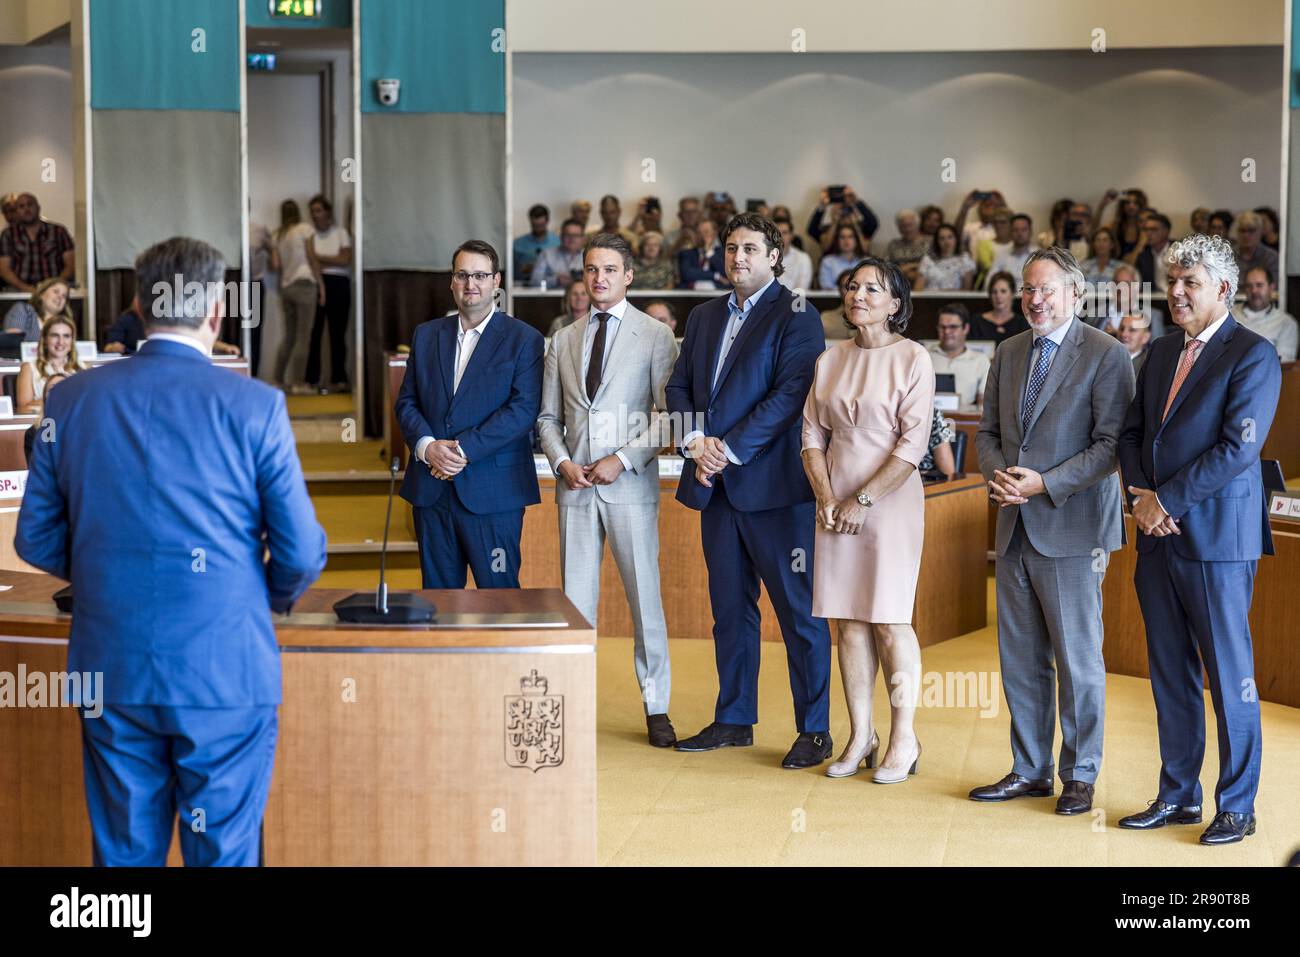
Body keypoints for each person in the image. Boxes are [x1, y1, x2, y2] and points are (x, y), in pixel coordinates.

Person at [15, 236, 326, 866]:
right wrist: (247, 597)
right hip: (224, 669)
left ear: (137, 304)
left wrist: (110, 572)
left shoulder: (70, 400)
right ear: (216, 310)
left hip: (112, 667)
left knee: (126, 864)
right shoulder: (257, 407)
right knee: (223, 854)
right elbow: (299, 552)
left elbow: (35, 538)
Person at [1117, 234, 1281, 845]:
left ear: (1223, 289)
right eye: (1172, 281)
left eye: (1190, 282)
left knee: (1230, 673)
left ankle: (1238, 805)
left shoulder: (1254, 354)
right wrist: (1141, 498)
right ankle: (1179, 795)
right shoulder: (1159, 352)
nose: (1176, 292)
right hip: (1156, 535)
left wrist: (1167, 500)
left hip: (1216, 540)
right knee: (1170, 672)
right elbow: (1130, 434)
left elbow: (1238, 448)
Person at [970, 247, 1135, 816]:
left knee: (1077, 659)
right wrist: (1004, 479)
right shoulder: (1009, 350)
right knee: (1020, 657)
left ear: (1075, 294)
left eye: (1047, 290)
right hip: (1014, 523)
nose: (1035, 300)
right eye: (1028, 289)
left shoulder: (1106, 354)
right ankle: (1030, 769)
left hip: (1073, 527)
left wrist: (1043, 484)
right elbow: (987, 432)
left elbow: (1112, 447)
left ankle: (1080, 774)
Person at [667, 213, 832, 769]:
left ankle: (814, 731)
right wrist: (694, 441)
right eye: (732, 248)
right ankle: (734, 719)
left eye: (751, 249)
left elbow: (790, 395)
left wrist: (728, 448)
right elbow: (680, 385)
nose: (738, 257)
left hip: (774, 489)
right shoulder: (704, 314)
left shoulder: (798, 314)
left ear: (774, 256)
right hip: (713, 488)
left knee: (798, 613)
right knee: (730, 612)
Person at [537, 233, 679, 748]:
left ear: (629, 276)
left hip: (630, 486)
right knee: (576, 604)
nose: (599, 278)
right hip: (574, 488)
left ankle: (656, 705)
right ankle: (572, 706)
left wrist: (623, 459)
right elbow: (548, 417)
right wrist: (561, 461)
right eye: (591, 269)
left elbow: (669, 419)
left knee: (645, 601)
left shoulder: (656, 336)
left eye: (610, 269)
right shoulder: (562, 339)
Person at [801, 257, 933, 783]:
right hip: (833, 502)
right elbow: (812, 434)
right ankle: (861, 733)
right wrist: (827, 495)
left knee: (889, 620)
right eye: (853, 286)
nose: (859, 294)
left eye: (872, 289)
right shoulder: (829, 358)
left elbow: (913, 444)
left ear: (895, 304)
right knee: (847, 620)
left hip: (890, 502)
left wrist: (864, 500)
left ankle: (904, 736)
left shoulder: (913, 357)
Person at [397, 239, 544, 591]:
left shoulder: (524, 339)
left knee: (500, 599)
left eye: (480, 275)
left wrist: (461, 451)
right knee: (439, 600)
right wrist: (428, 446)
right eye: (462, 275)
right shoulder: (426, 335)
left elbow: (522, 411)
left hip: (494, 495)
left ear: (496, 282)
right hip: (432, 492)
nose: (470, 284)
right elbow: (407, 402)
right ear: (451, 281)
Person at [270, 199, 320, 394]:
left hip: (286, 286)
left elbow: (275, 266)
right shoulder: (305, 229)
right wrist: (321, 284)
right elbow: (312, 258)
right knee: (303, 337)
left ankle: (277, 379)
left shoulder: (277, 235)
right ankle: (299, 383)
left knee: (289, 337)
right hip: (305, 284)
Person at [304, 195, 352, 393]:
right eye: (312, 212)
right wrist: (326, 261)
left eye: (318, 210)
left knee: (337, 333)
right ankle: (312, 379)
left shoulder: (340, 233)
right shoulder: (311, 236)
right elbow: (313, 262)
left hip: (340, 283)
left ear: (327, 212)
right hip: (320, 283)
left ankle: (339, 378)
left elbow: (345, 259)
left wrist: (321, 257)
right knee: (315, 333)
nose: (315, 215)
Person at [0, 192, 75, 292]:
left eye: (30, 204)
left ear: (38, 208)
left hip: (54, 291)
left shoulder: (58, 231)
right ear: (17, 211)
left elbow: (71, 264)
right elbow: (4, 268)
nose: (26, 209)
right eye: (21, 206)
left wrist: (53, 286)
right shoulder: (8, 235)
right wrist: (24, 288)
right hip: (18, 291)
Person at [16, 315, 85, 413]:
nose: (61, 342)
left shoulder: (83, 368)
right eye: (55, 335)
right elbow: (23, 409)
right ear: (44, 339)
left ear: (72, 341)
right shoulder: (29, 368)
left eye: (66, 336)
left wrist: (45, 400)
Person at [928, 302, 990, 407]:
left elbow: (983, 402)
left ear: (966, 328)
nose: (947, 331)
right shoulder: (925, 356)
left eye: (953, 327)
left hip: (965, 419)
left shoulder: (980, 360)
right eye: (942, 327)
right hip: (927, 417)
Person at [1233, 265, 1297, 363]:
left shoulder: (1286, 323)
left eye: (1259, 285)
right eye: (1249, 286)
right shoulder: (1229, 314)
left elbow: (1283, 365)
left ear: (1271, 288)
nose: (1254, 291)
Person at [3, 276, 71, 341]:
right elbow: (14, 341)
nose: (60, 297)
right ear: (41, 294)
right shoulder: (24, 310)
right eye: (56, 292)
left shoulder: (66, 324)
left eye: (64, 296)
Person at [808, 186, 878, 248]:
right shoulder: (827, 230)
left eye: (846, 208)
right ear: (832, 211)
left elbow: (873, 223)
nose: (842, 210)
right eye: (838, 208)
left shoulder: (860, 228)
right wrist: (822, 205)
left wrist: (856, 201)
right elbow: (812, 230)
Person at [968, 271, 1028, 343]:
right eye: (994, 292)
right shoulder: (976, 322)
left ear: (1012, 293)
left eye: (1003, 291)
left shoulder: (1023, 324)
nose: (998, 296)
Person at [248, 213, 273, 376]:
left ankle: (253, 374)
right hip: (233, 284)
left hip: (253, 284)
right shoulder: (222, 227)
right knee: (233, 330)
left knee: (254, 331)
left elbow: (273, 250)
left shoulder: (259, 229)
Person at [915, 223, 974, 291]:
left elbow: (967, 291)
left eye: (950, 237)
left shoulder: (965, 259)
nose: (947, 242)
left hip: (955, 300)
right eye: (942, 238)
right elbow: (918, 290)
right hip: (929, 299)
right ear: (937, 242)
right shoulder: (927, 260)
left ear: (956, 239)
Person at [531, 218, 586, 289]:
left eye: (576, 235)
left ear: (583, 238)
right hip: (551, 298)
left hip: (583, 298)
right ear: (561, 237)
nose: (572, 239)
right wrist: (555, 280)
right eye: (567, 235)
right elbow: (534, 281)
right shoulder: (546, 254)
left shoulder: (589, 255)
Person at [984, 213, 1035, 288]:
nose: (1019, 233)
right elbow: (989, 283)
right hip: (1006, 299)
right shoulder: (1001, 256)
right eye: (1015, 230)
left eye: (1024, 229)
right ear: (1010, 232)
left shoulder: (1039, 256)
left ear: (1030, 232)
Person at [512, 203, 558, 284]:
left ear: (547, 221)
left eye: (541, 225)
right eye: (534, 225)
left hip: (552, 285)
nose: (538, 229)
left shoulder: (558, 242)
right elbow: (513, 272)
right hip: (524, 284)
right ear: (530, 221)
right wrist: (524, 269)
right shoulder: (518, 244)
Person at [1097, 188, 1149, 257]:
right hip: (1115, 265)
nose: (1131, 206)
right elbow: (1096, 233)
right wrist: (1102, 207)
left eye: (1135, 203)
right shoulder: (1116, 225)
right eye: (1127, 202)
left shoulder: (1146, 227)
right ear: (1123, 205)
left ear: (1141, 205)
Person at [677, 218, 727, 289]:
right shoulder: (686, 253)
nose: (702, 236)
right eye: (699, 232)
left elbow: (726, 273)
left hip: (717, 294)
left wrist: (710, 253)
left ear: (714, 234)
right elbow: (687, 274)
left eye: (706, 232)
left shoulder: (724, 252)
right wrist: (716, 276)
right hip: (690, 295)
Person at [885, 208, 930, 286]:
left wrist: (908, 267)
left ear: (917, 225)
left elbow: (935, 265)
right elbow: (885, 267)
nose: (907, 229)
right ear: (899, 228)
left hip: (924, 283)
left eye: (910, 225)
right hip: (898, 284)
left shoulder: (929, 242)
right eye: (903, 226)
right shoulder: (894, 244)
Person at [818, 222, 867, 290]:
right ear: (837, 241)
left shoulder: (866, 262)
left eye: (850, 237)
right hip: (834, 299)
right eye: (842, 237)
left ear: (856, 240)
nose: (846, 240)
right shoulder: (827, 261)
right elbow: (826, 287)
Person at [1232, 211, 1279, 282]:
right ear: (1237, 232)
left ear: (1261, 232)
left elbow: (1273, 286)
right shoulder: (1228, 256)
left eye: (1251, 230)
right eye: (1242, 230)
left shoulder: (1270, 257)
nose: (1246, 235)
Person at [955, 189, 1005, 254]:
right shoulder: (970, 227)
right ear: (979, 209)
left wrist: (1002, 206)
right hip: (974, 263)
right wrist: (965, 207)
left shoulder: (1002, 228)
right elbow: (955, 236)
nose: (988, 205)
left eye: (991, 204)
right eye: (985, 204)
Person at [1132, 213, 1172, 292]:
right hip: (1153, 299)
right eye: (1146, 230)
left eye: (1153, 229)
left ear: (1166, 231)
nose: (1148, 233)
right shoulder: (1143, 256)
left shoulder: (1179, 250)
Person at [819, 268, 854, 344]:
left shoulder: (874, 319)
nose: (850, 291)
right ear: (839, 290)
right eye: (846, 287)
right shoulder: (825, 318)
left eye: (853, 287)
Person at [776, 218, 813, 292]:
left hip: (796, 301)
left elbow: (802, 288)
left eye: (785, 233)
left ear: (791, 235)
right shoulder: (765, 258)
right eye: (777, 233)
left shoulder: (803, 258)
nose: (781, 237)